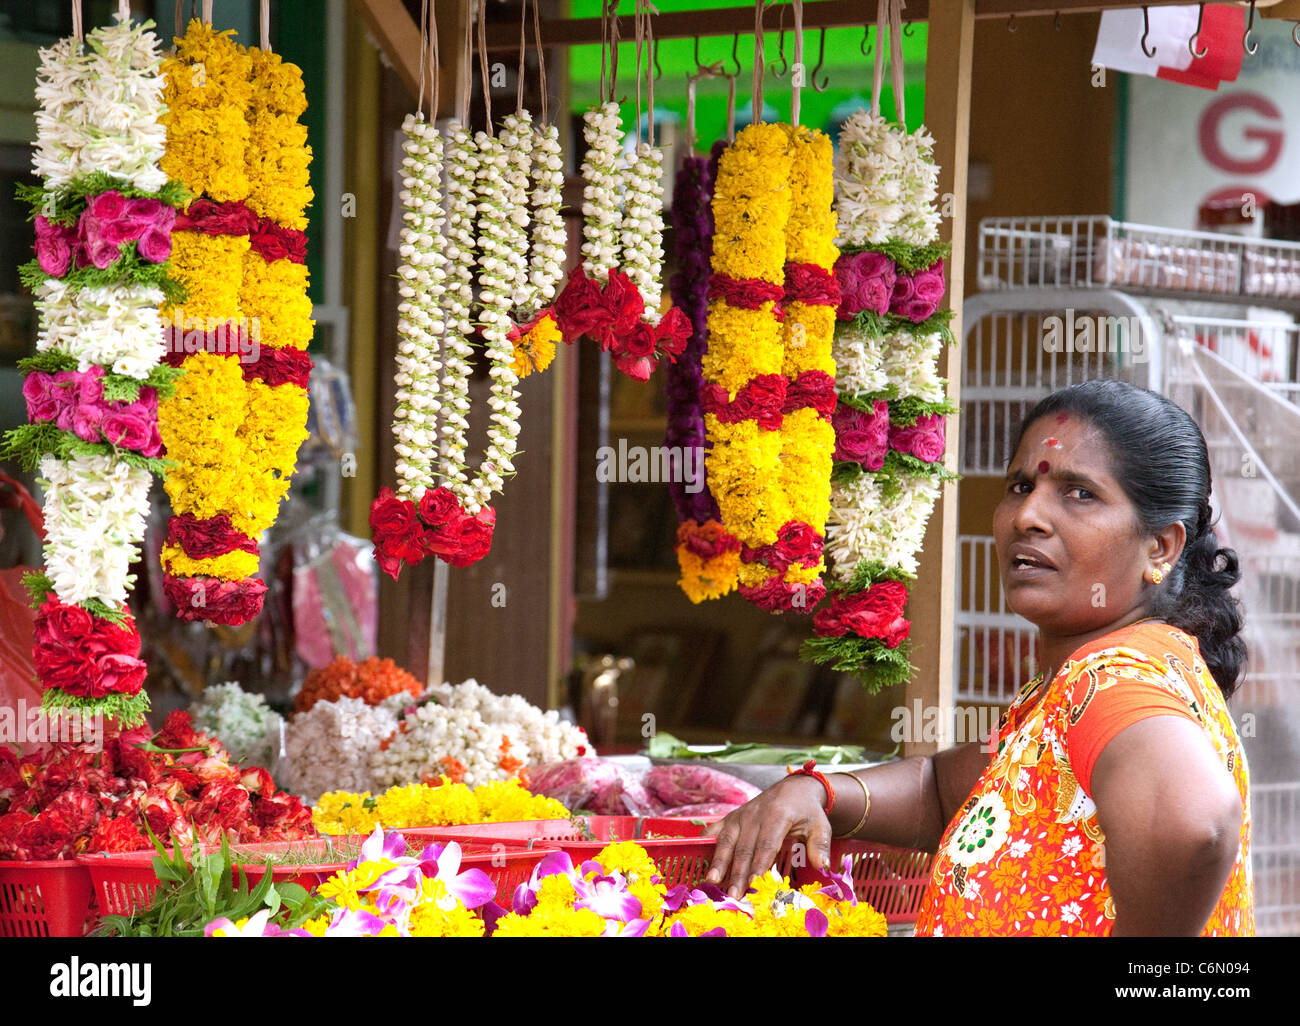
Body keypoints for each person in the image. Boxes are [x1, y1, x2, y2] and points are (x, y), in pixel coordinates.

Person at [704, 380, 1253, 936]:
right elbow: (943, 792)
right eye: (1019, 486)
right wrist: (818, 790)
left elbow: (1196, 822)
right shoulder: (1087, 677)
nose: (1028, 516)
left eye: (1079, 493)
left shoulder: (1113, 678)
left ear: (1158, 547)